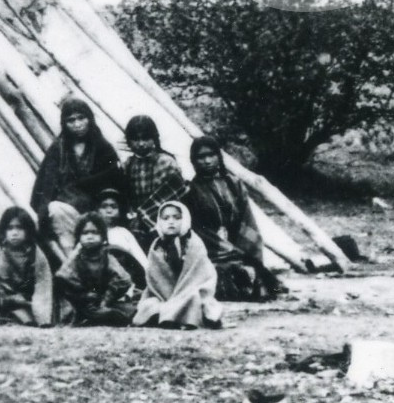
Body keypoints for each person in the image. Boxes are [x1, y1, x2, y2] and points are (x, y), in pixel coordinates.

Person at [183, 136, 287, 301]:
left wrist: (246, 249)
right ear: (194, 161)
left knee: (250, 269)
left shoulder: (234, 184)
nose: (207, 161)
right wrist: (227, 248)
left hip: (237, 245)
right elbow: (198, 229)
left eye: (211, 155)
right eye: (201, 157)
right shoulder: (191, 191)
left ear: (219, 156)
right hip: (211, 249)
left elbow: (246, 219)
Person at [31, 97, 123, 256]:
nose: (78, 124)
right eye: (71, 120)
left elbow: (114, 179)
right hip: (68, 213)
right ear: (64, 124)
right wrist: (43, 214)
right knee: (55, 210)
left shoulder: (102, 147)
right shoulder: (58, 149)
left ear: (90, 119)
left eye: (82, 118)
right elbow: (46, 185)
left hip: (97, 212)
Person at [133, 201, 222, 330]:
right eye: (166, 218)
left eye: (176, 217)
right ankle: (171, 315)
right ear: (159, 221)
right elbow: (154, 276)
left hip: (188, 291)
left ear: (185, 219)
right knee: (149, 304)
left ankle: (174, 316)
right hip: (165, 296)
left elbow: (199, 273)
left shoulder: (194, 244)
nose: (171, 222)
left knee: (194, 298)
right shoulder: (156, 247)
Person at [53, 212, 137, 327]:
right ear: (78, 236)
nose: (90, 236)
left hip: (104, 300)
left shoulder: (106, 257)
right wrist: (83, 296)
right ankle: (93, 317)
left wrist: (106, 299)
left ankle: (103, 315)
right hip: (82, 302)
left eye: (95, 232)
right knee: (81, 312)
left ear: (103, 236)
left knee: (128, 311)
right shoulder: (76, 258)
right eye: (85, 233)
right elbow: (63, 278)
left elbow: (123, 279)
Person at [122, 115, 188, 251]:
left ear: (154, 139)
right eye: (136, 139)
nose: (141, 144)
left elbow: (174, 196)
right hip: (137, 223)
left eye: (145, 138)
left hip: (163, 221)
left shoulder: (166, 162)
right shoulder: (128, 165)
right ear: (129, 141)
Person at [0, 206, 53, 326]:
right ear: (3, 232)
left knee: (41, 315)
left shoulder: (36, 254)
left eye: (20, 228)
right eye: (10, 228)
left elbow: (43, 284)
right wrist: (13, 299)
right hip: (9, 301)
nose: (15, 233)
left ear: (28, 231)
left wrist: (43, 319)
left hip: (32, 299)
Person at [95, 187, 148, 288]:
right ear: (97, 210)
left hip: (123, 279)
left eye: (113, 207)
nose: (109, 210)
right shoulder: (93, 232)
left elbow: (142, 260)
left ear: (120, 211)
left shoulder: (124, 233)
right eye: (104, 206)